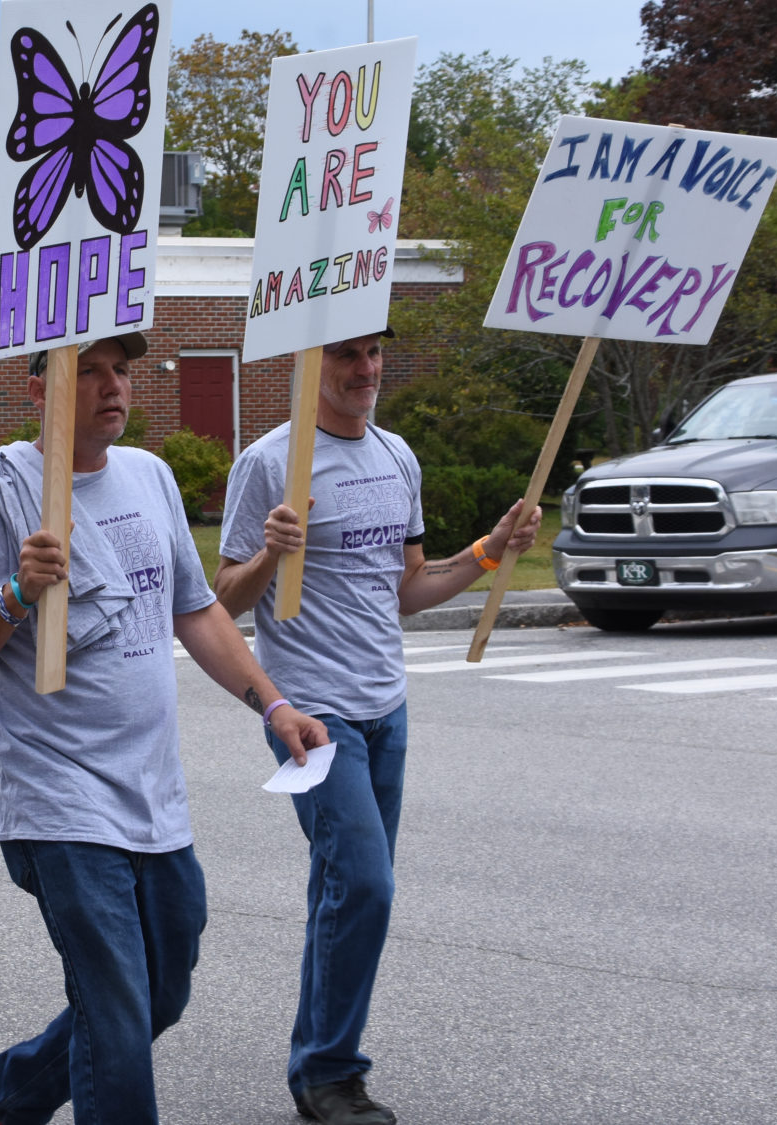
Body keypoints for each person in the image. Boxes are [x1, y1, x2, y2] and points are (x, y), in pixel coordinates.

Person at [0, 333, 329, 1125]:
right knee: (115, 1015)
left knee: (160, 993)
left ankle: (12, 1088)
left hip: (155, 798)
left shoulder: (151, 477)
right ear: (40, 392)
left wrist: (274, 704)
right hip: (61, 800)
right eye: (90, 372)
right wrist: (14, 594)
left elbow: (197, 609)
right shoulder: (0, 496)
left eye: (122, 371)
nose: (114, 387)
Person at [213, 332, 540, 1125]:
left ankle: (321, 1062)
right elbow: (223, 598)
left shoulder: (397, 457)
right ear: (310, 364)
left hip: (387, 711)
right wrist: (269, 553)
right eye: (346, 354)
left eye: (374, 355)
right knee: (363, 884)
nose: (366, 370)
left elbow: (407, 588)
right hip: (314, 719)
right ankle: (329, 1071)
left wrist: (489, 553)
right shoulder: (271, 463)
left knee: (346, 889)